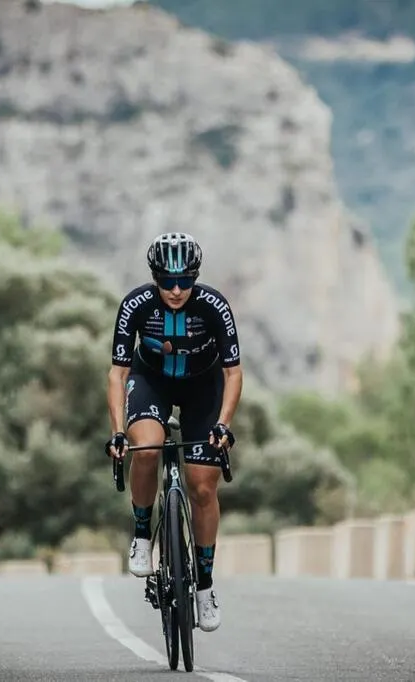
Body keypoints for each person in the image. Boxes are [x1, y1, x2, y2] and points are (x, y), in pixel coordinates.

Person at [104, 232, 243, 633]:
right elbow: (118, 373)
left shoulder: (214, 304)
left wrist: (223, 424)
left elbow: (233, 373)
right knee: (146, 448)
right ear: (155, 278)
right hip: (152, 381)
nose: (178, 290)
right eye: (167, 282)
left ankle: (203, 587)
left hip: (204, 386)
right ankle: (143, 534)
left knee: (202, 488)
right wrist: (118, 431)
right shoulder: (135, 305)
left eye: (186, 281)